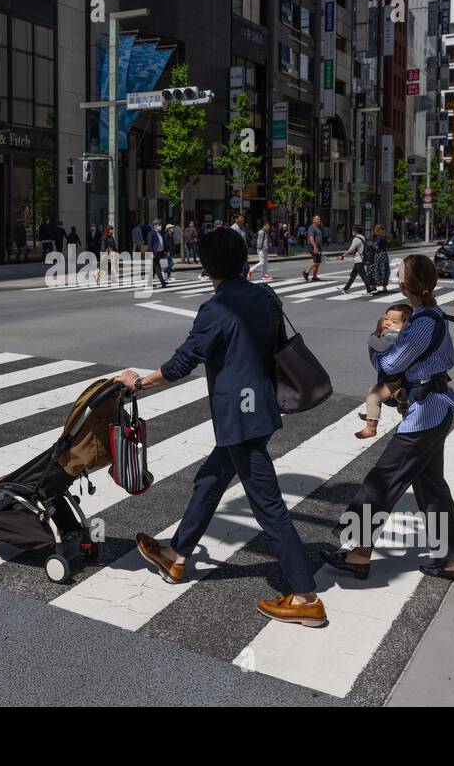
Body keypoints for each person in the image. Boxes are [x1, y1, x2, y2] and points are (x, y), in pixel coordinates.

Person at [116, 228, 327, 626]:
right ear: (243, 260)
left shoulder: (216, 309)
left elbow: (181, 365)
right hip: (262, 408)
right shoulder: (266, 296)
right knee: (210, 480)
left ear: (206, 267)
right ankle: (177, 556)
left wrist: (137, 384)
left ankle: (305, 596)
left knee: (269, 507)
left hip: (238, 419)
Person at [321, 255, 454, 585]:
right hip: (433, 411)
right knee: (431, 489)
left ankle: (357, 554)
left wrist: (376, 347)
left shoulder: (424, 323)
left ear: (405, 285)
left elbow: (391, 365)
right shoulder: (430, 316)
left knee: (381, 483)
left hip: (425, 416)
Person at [356, 304, 414, 439]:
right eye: (386, 318)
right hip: (393, 378)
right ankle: (372, 414)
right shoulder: (396, 333)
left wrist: (374, 334)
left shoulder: (394, 336)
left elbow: (380, 347)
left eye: (394, 322)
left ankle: (371, 427)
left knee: (374, 397)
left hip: (394, 381)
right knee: (373, 393)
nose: (388, 323)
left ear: (406, 324)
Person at [340, 225, 374, 294]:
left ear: (355, 231)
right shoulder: (363, 237)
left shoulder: (356, 239)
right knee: (353, 275)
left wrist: (343, 255)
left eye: (353, 231)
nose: (352, 232)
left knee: (363, 276)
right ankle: (345, 289)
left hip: (359, 259)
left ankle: (369, 290)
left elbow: (351, 250)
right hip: (361, 259)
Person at [367, 224, 391, 292]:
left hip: (379, 255)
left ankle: (373, 286)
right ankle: (384, 288)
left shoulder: (379, 237)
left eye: (376, 229)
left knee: (375, 269)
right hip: (384, 254)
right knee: (384, 270)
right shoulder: (385, 236)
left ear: (377, 230)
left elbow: (376, 247)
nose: (375, 231)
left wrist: (371, 247)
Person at [302, 214, 326, 282]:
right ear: (313, 220)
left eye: (319, 219)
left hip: (318, 247)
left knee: (317, 262)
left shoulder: (318, 227)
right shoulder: (312, 228)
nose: (319, 220)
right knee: (317, 261)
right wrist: (315, 247)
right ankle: (306, 272)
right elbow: (310, 237)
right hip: (312, 246)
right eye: (317, 219)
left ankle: (314, 277)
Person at [148, 220, 168, 287]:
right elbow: (150, 245)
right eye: (158, 224)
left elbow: (163, 242)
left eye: (160, 224)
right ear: (154, 225)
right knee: (157, 267)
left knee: (154, 269)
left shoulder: (160, 233)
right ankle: (163, 282)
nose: (160, 226)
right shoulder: (151, 233)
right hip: (154, 253)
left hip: (159, 252)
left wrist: (165, 250)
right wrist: (151, 253)